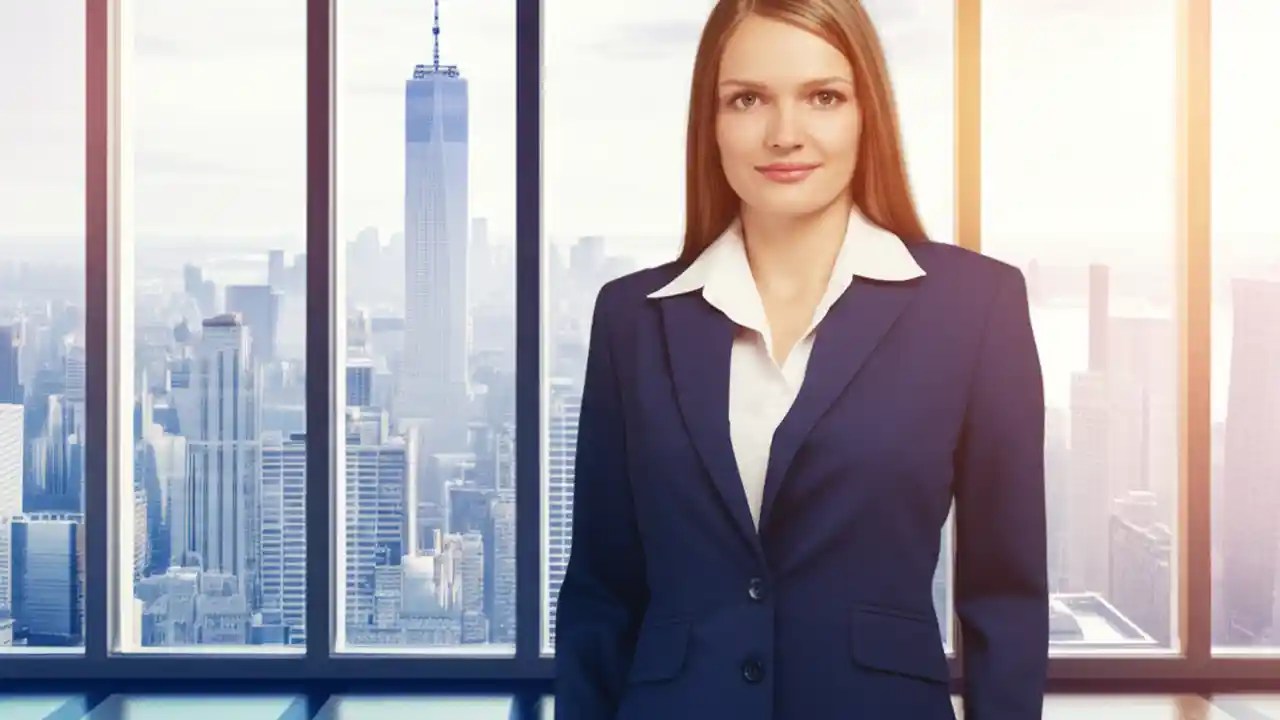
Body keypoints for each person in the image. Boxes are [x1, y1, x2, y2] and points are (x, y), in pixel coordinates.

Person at [553, 1, 1048, 718]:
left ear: (867, 113)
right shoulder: (633, 317)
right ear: (710, 123)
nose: (785, 134)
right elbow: (602, 594)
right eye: (747, 99)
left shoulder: (975, 306)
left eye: (823, 97)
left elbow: (1004, 596)